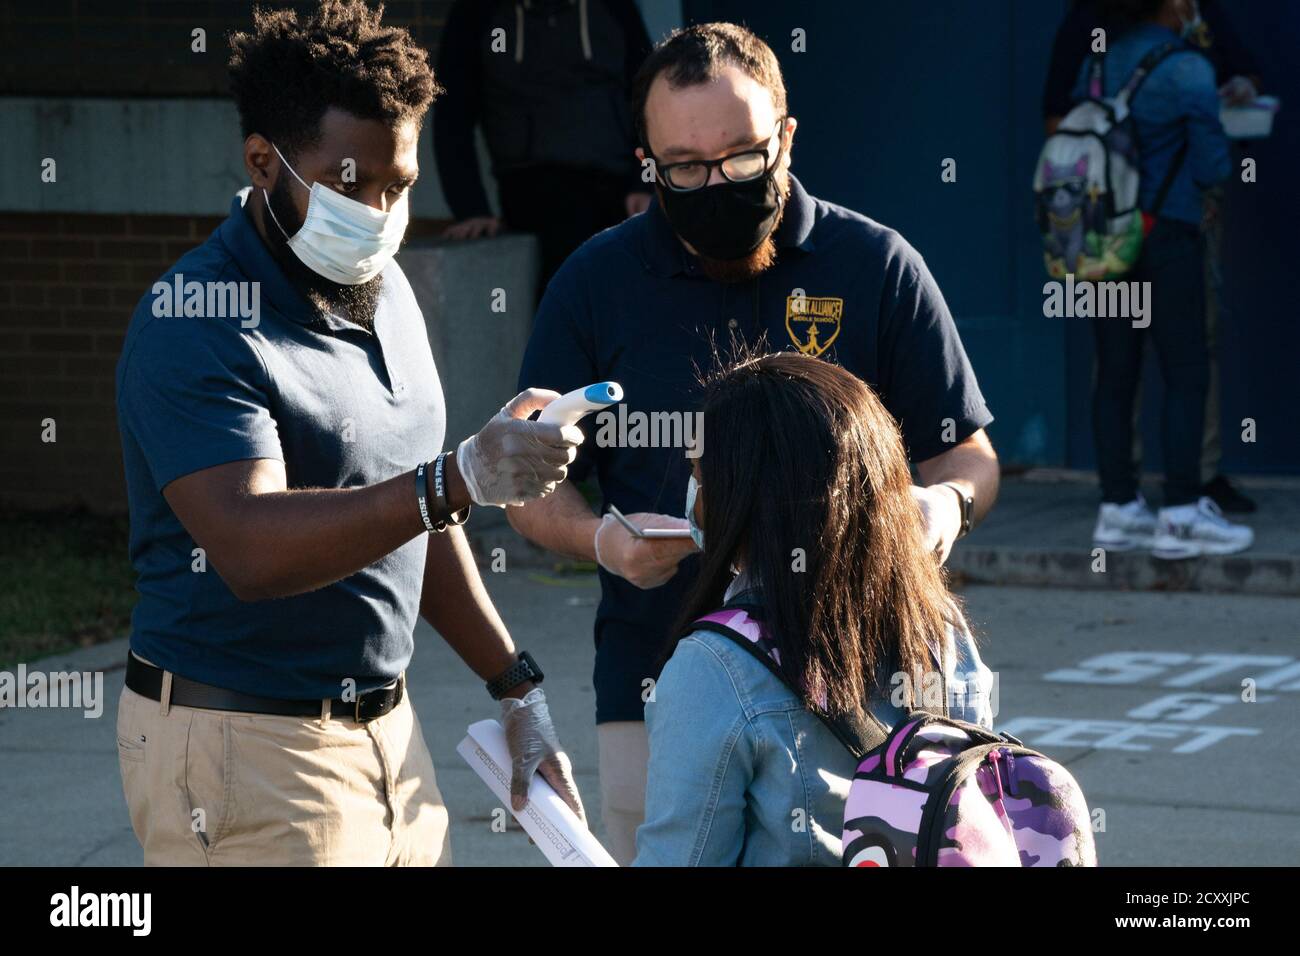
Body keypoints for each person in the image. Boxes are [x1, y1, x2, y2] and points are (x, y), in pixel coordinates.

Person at [507, 23, 1000, 864]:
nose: (716, 183)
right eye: (685, 167)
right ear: (646, 163)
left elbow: (968, 458)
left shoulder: (876, 264)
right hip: (660, 670)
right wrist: (597, 539)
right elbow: (529, 479)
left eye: (741, 157)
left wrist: (942, 506)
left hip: (873, 675)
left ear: (788, 137)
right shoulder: (597, 281)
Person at [114, 0, 587, 866]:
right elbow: (251, 548)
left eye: (395, 185)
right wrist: (454, 481)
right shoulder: (197, 319)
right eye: (345, 182)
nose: (374, 211)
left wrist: (519, 691)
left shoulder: (385, 287)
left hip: (387, 736)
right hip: (243, 745)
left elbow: (412, 514)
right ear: (263, 161)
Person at [634, 352, 994, 866]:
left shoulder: (713, 668)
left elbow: (679, 858)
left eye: (700, 474)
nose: (692, 495)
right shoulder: (938, 625)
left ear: (742, 495)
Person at [1044, 0, 1261, 512]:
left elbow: (1063, 120)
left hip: (1105, 234)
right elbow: (1212, 167)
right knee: (1187, 365)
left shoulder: (1097, 63)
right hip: (1170, 231)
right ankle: (1184, 505)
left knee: (1118, 364)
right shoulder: (1187, 67)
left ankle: (1119, 502)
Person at [433, 0, 654, 291]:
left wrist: (643, 181)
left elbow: (649, 95)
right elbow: (452, 116)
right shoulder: (479, 11)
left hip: (618, 188)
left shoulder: (614, 6)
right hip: (532, 189)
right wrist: (471, 207)